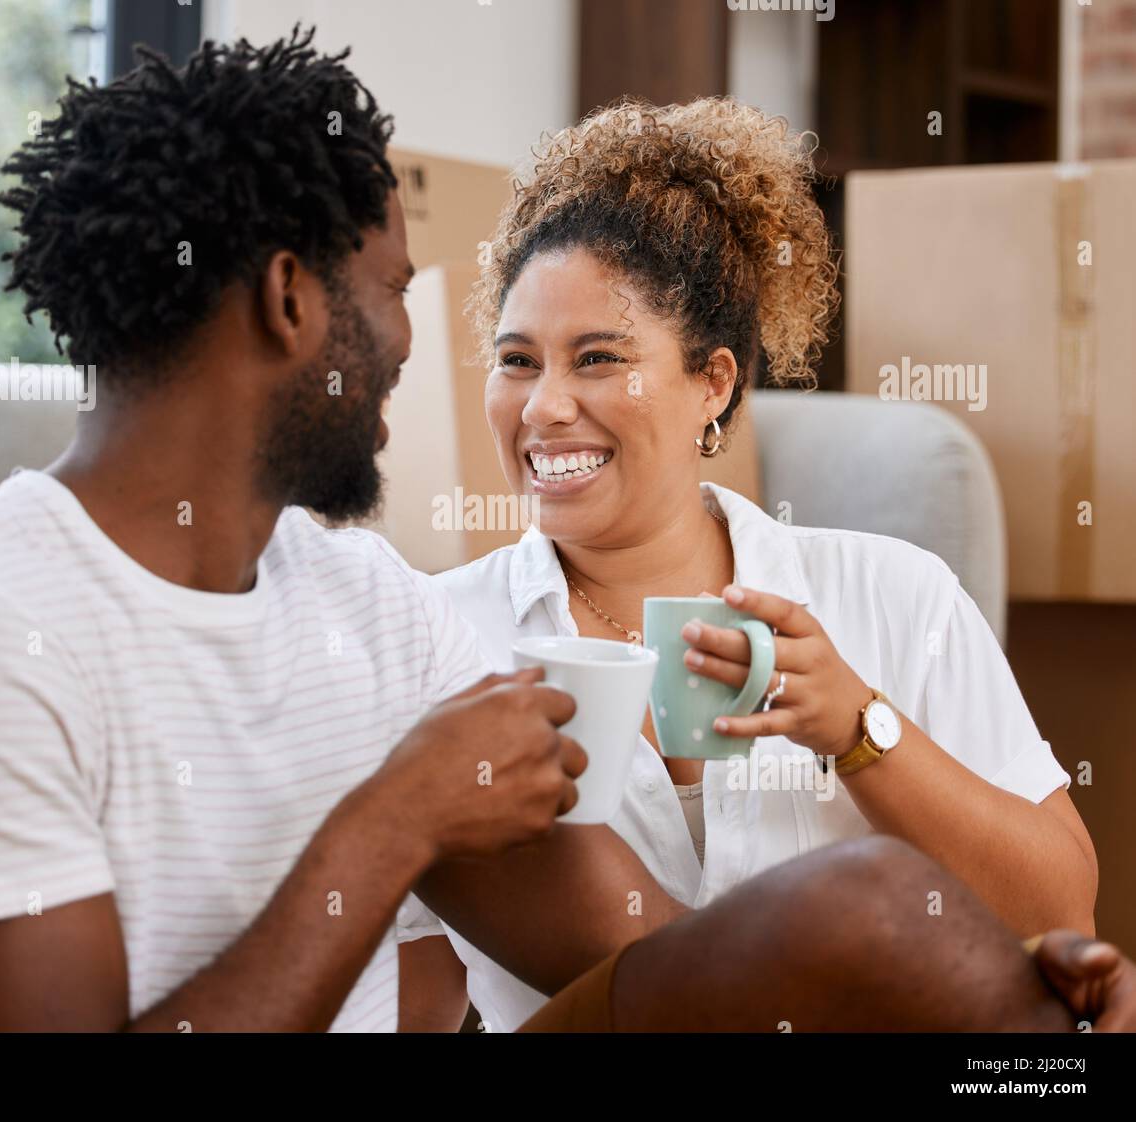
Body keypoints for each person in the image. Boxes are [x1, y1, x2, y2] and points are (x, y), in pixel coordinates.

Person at [0, 32, 1126, 1034]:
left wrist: (959, 986)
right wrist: (389, 827)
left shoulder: (362, 601)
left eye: (593, 356)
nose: (412, 347)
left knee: (878, 917)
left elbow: (655, 959)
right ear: (290, 299)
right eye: (395, 290)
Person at [397, 97, 1102, 1032]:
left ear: (714, 383)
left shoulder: (894, 595)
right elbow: (412, 1002)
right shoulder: (436, 640)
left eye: (598, 359)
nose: (544, 407)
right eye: (517, 360)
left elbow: (1061, 909)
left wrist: (858, 727)